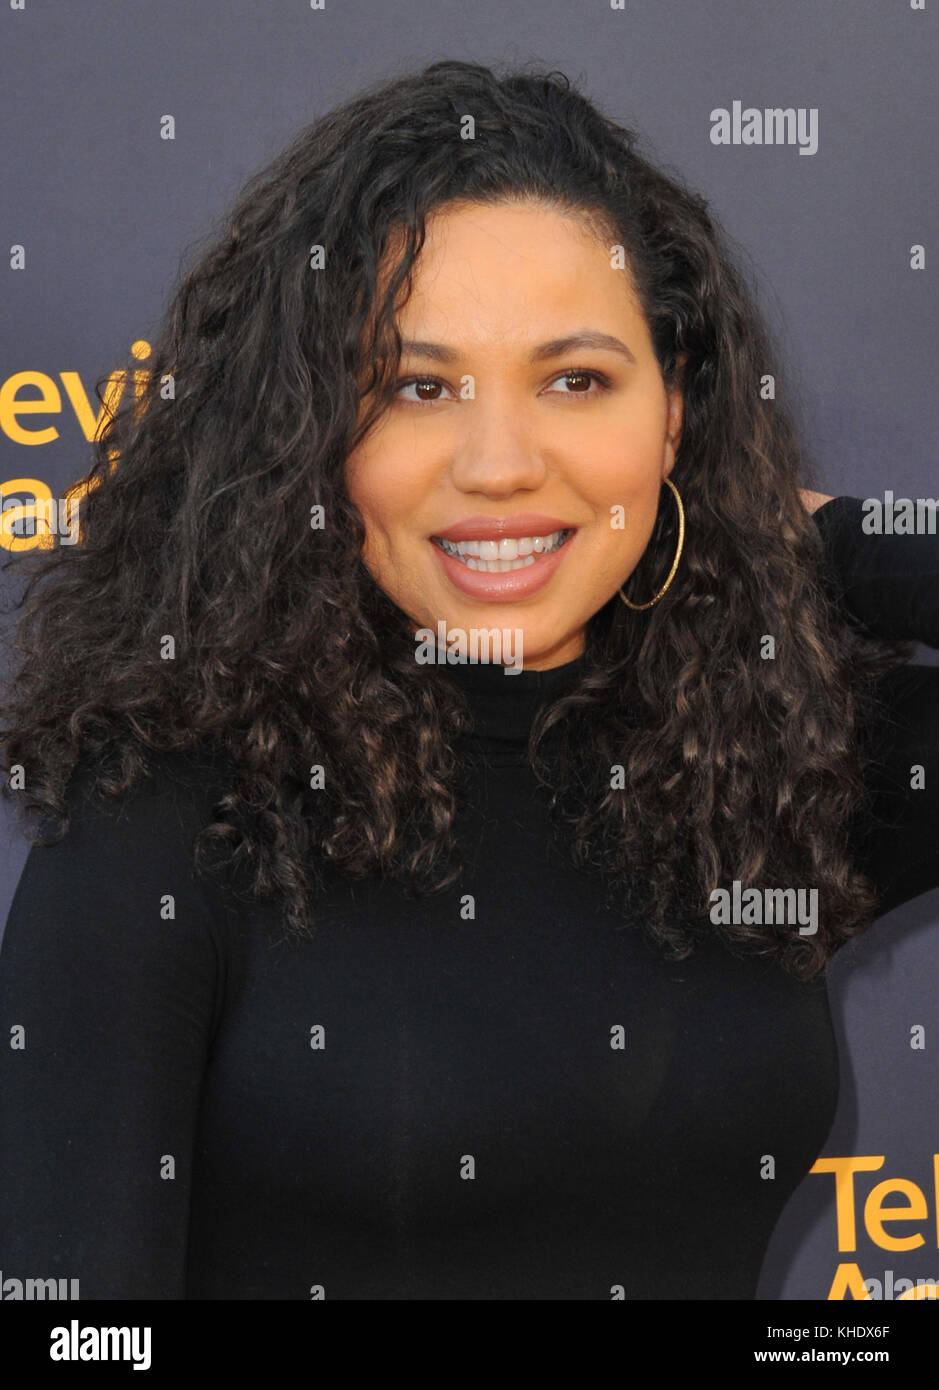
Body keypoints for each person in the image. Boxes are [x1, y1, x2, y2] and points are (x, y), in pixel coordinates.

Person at [0, 59, 936, 1301]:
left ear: (675, 417)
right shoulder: (165, 824)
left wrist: (824, 537)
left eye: (577, 380)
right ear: (313, 433)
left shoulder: (764, 755)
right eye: (416, 387)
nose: (499, 464)